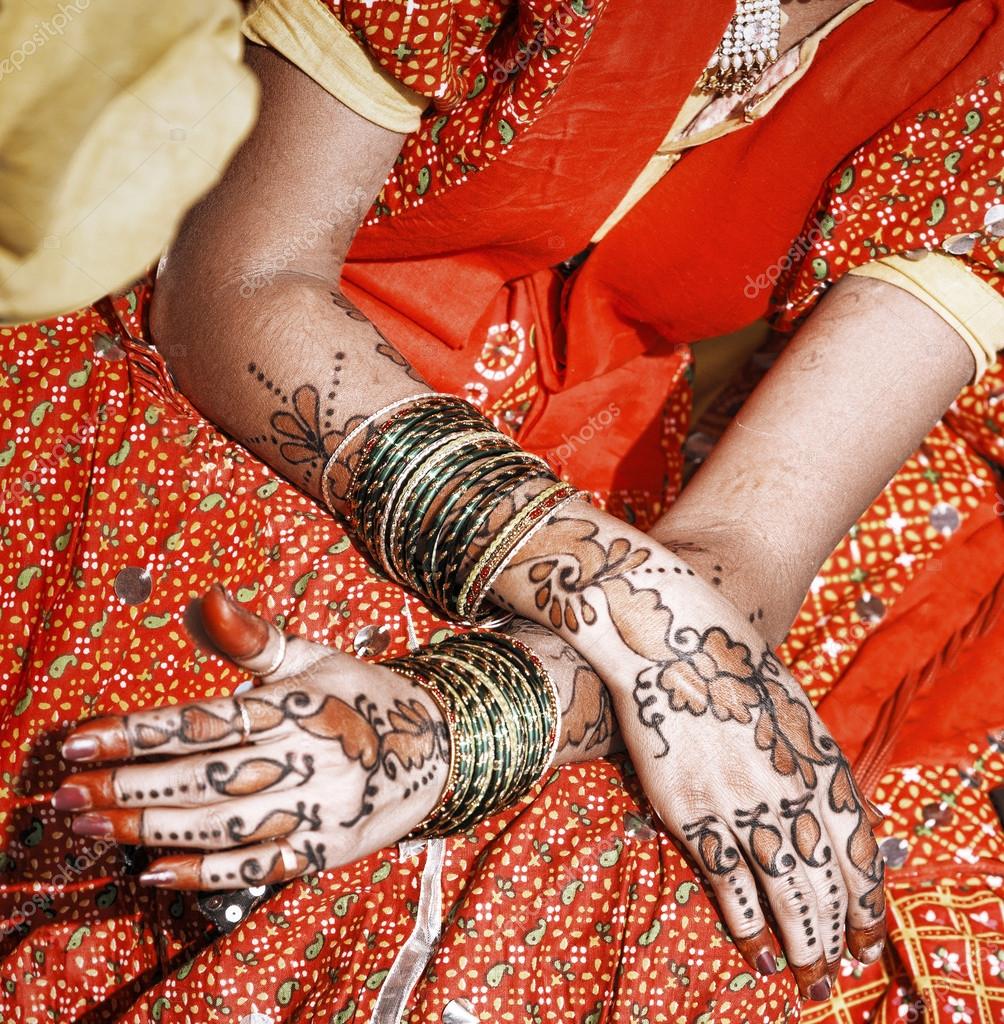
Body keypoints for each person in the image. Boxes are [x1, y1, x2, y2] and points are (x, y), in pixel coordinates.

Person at [2, 1, 1003, 1022]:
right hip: (233, 383)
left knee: (659, 902)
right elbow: (242, 279)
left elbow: (748, 544)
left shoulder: (978, 66)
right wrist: (621, 596)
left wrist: (445, 733)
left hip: (579, 493)